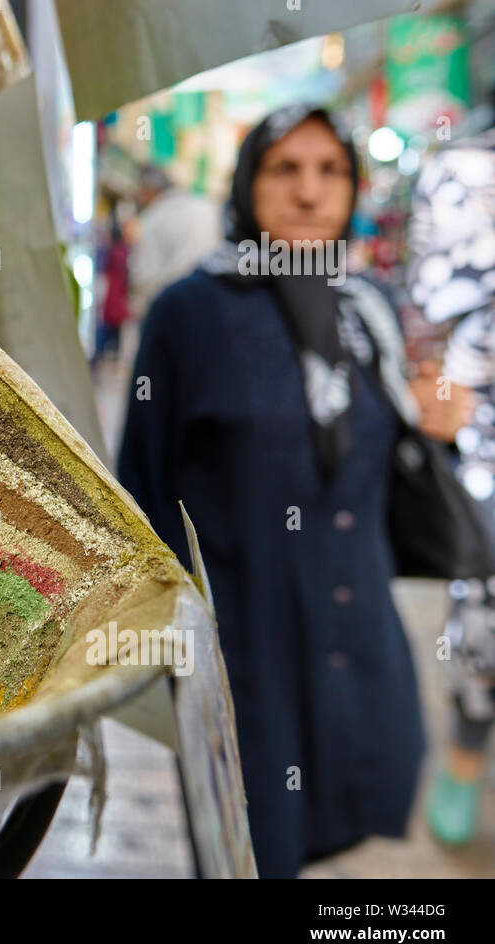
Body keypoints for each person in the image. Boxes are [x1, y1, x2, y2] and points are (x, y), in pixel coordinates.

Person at [118, 104, 426, 878]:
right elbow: (141, 489)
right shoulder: (189, 314)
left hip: (355, 636)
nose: (310, 192)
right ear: (248, 183)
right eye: (284, 169)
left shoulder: (369, 311)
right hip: (244, 655)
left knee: (339, 816)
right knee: (250, 843)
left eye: (331, 172)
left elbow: (382, 477)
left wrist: (437, 427)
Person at [406, 133, 495, 846]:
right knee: (484, 615)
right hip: (483, 433)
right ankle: (464, 760)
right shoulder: (462, 169)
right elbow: (429, 298)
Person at [125, 165, 222, 323]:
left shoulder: (154, 217)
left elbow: (143, 276)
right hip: (209, 309)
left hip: (171, 313)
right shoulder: (207, 207)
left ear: (150, 189)